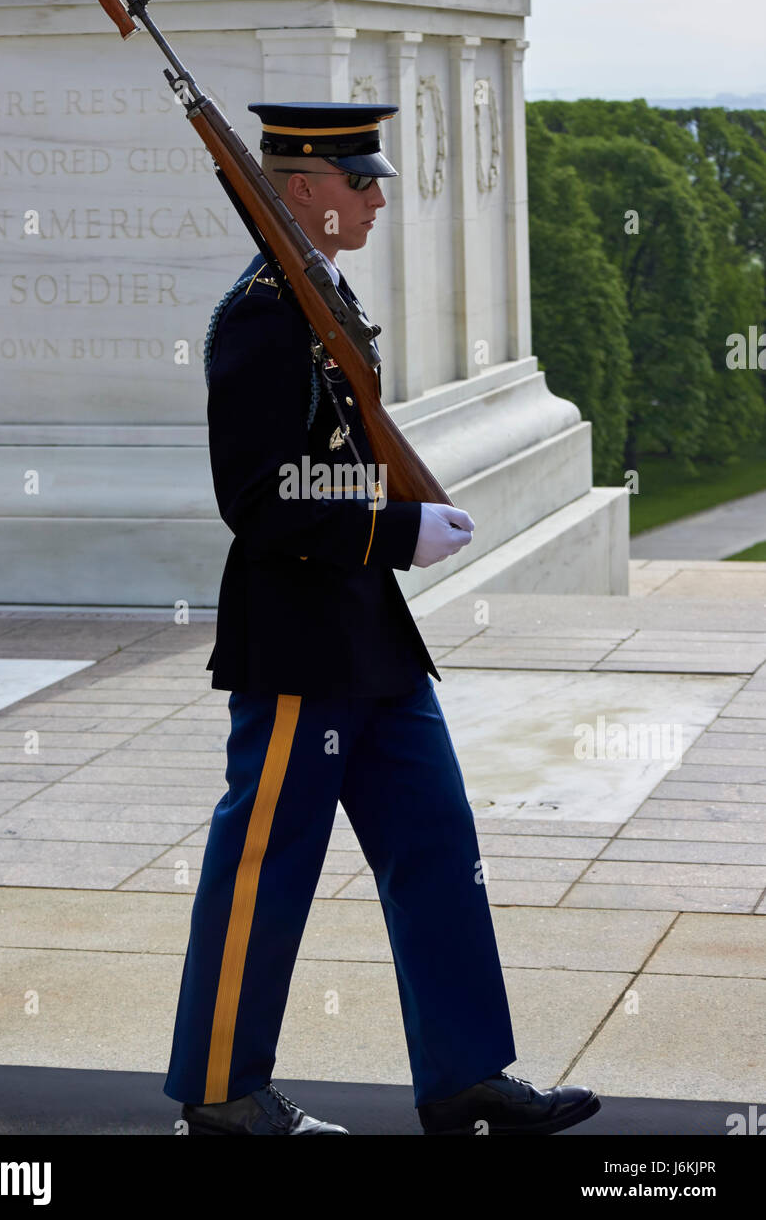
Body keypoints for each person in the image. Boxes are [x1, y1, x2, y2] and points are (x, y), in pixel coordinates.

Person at [162, 101, 600, 1136]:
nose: (375, 197)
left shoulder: (318, 295)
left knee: (437, 846)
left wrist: (387, 535)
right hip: (297, 639)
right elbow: (259, 501)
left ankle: (463, 1078)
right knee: (264, 865)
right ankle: (221, 1092)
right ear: (300, 190)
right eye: (359, 180)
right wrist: (391, 530)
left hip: (369, 638)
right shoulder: (263, 315)